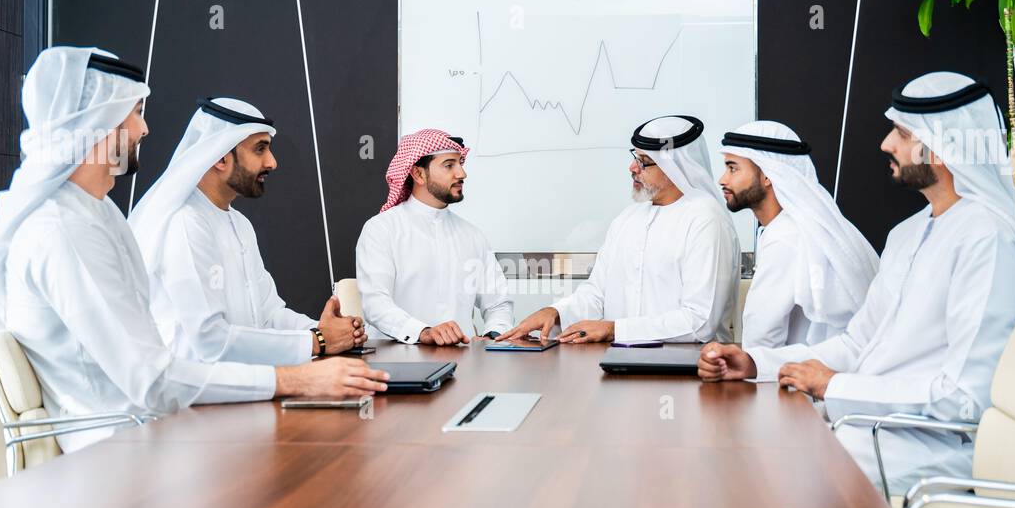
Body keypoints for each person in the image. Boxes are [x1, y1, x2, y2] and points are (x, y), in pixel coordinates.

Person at [0, 46, 386, 451]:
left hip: (158, 426)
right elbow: (152, 379)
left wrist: (316, 344)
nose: (145, 129)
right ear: (99, 123)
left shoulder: (99, 214)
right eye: (134, 114)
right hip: (116, 451)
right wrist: (301, 375)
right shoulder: (63, 232)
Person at [699, 73, 1015, 495]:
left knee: (764, 472)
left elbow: (963, 399)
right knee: (733, 455)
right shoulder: (908, 233)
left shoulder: (990, 239)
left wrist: (835, 386)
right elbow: (856, 345)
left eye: (901, 133)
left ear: (939, 147)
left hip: (929, 451)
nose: (887, 144)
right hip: (866, 428)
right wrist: (757, 364)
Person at [130, 97, 364, 364]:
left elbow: (268, 315)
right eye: (259, 149)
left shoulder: (239, 224)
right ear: (220, 157)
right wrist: (318, 342)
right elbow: (210, 341)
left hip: (242, 393)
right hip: (194, 401)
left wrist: (332, 331)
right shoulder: (185, 223)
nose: (272, 162)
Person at [498, 115, 737, 344]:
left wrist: (615, 330)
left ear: (675, 168)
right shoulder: (629, 218)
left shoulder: (706, 219)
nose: (632, 167)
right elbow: (596, 294)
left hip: (690, 371)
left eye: (644, 162)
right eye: (635, 157)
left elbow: (700, 321)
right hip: (621, 362)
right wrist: (555, 312)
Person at [718, 121, 877, 347]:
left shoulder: (785, 236)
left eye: (733, 168)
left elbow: (761, 338)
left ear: (768, 175)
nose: (722, 179)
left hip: (795, 376)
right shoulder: (793, 227)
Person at [355, 129, 514, 345]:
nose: (461, 174)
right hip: (397, 364)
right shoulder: (381, 230)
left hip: (463, 364)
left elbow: (498, 304)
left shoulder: (472, 235)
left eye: (461, 164)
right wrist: (423, 332)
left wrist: (493, 335)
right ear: (418, 174)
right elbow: (375, 304)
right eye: (449, 165)